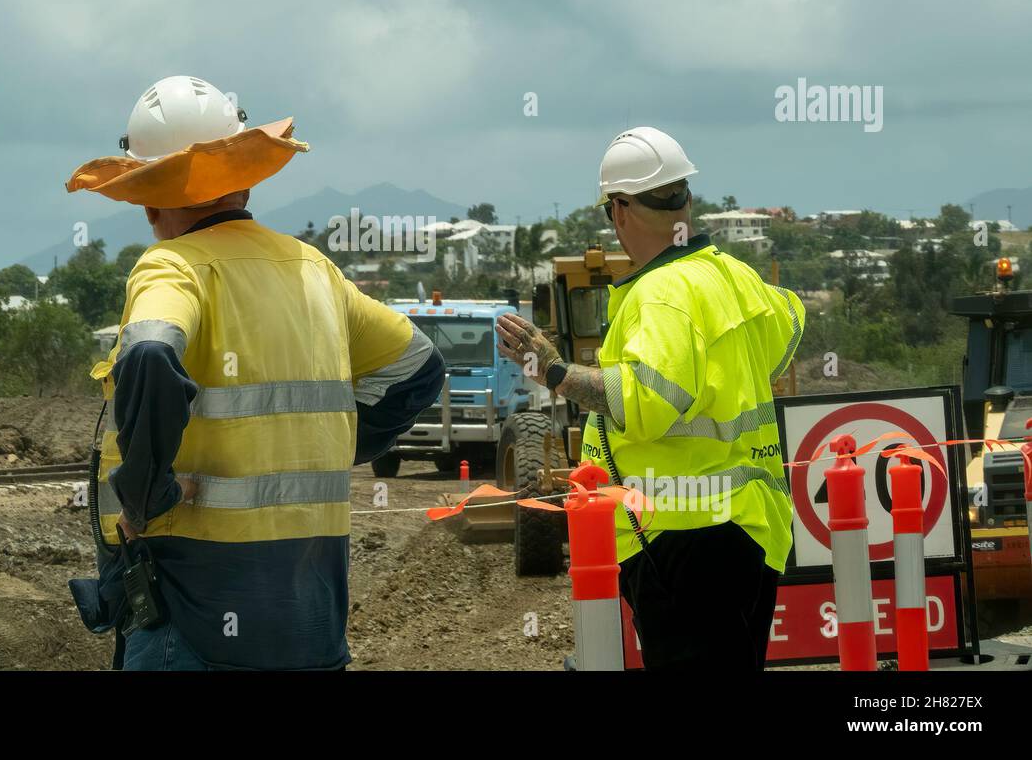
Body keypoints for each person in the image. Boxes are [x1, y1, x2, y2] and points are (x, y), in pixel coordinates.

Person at [65, 75, 443, 670]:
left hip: (192, 620)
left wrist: (147, 499)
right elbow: (418, 367)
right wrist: (329, 448)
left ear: (147, 197)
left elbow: (148, 354)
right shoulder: (313, 270)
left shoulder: (173, 265)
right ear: (243, 178)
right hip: (311, 623)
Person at [495, 126, 803, 669]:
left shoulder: (662, 294)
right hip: (753, 530)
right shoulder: (734, 276)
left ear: (618, 209)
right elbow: (790, 323)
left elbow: (645, 406)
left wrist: (555, 368)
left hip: (680, 538)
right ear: (685, 197)